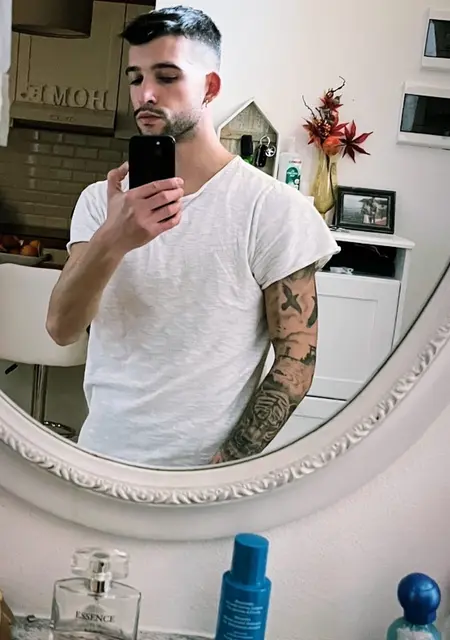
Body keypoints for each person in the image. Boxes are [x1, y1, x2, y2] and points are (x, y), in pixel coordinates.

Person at [46, 5, 339, 467]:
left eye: (166, 77)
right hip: (101, 458)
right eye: (136, 78)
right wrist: (114, 238)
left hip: (205, 475)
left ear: (210, 87)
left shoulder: (274, 210)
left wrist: (221, 468)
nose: (145, 94)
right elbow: (62, 329)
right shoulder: (101, 202)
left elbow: (295, 361)